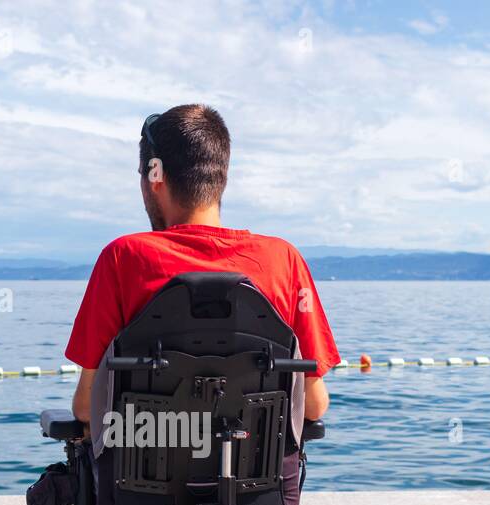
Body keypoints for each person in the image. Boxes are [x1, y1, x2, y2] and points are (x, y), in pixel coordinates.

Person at [65, 104, 339, 427]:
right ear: (220, 176)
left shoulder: (122, 258)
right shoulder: (284, 261)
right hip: (261, 474)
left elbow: (85, 407)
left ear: (156, 175)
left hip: (143, 465)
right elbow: (315, 405)